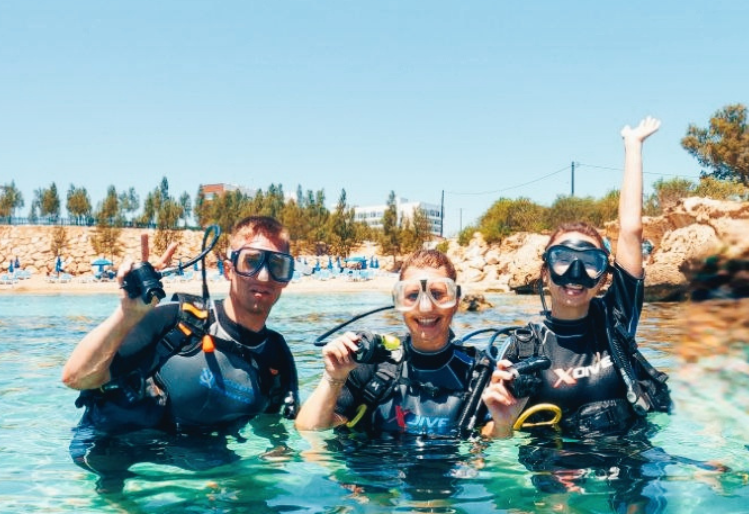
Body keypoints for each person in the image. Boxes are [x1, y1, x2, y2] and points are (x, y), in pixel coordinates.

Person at [483, 117, 671, 439]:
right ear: (545, 272)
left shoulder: (616, 319)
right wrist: (501, 425)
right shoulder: (524, 349)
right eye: (563, 260)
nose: (575, 274)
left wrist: (633, 146)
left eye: (589, 263)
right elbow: (494, 438)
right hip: (556, 465)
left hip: (626, 460)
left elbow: (631, 230)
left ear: (604, 278)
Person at [63, 215, 299, 436]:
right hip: (119, 453)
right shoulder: (178, 322)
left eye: (278, 266)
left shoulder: (276, 357)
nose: (264, 276)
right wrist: (126, 314)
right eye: (252, 262)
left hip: (201, 459)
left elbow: (274, 434)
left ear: (287, 278)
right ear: (229, 270)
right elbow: (75, 378)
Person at [296, 248, 490, 439]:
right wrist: (333, 377)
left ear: (456, 301)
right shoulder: (372, 364)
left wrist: (502, 424)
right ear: (399, 302)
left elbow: (494, 439)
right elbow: (309, 428)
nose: (425, 307)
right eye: (413, 295)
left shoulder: (480, 373)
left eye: (437, 294)